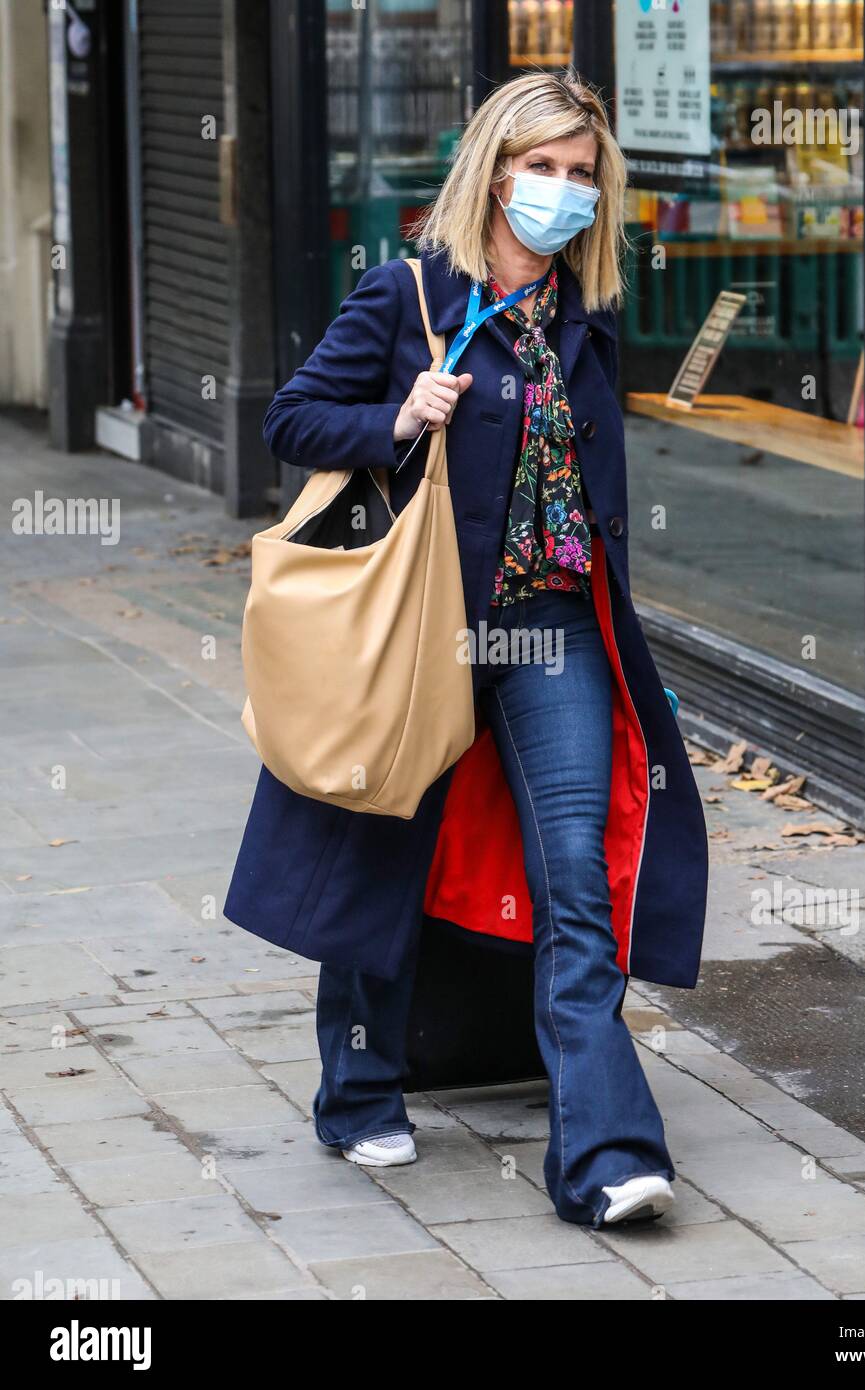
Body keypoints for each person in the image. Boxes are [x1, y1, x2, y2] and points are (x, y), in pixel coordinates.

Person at [225, 70, 708, 1229]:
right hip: (428, 622)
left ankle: (604, 1155)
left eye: (581, 173)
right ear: (494, 172)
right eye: (541, 167)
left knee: (576, 873)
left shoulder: (585, 317)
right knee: (383, 842)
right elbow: (289, 418)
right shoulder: (410, 296)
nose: (562, 190)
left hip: (554, 624)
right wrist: (395, 419)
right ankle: (357, 1088)